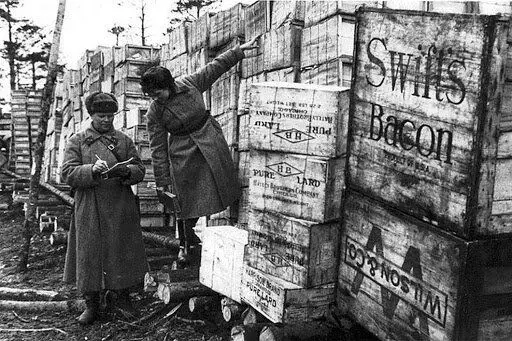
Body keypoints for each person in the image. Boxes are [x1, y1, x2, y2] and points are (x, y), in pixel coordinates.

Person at [140, 37, 259, 266]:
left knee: (221, 185)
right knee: (184, 200)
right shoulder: (154, 112)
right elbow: (157, 147)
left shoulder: (190, 84)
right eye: (151, 95)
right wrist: (163, 180)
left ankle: (230, 234)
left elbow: (214, 68)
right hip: (182, 152)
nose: (155, 98)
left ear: (169, 85)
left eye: (158, 92)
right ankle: (186, 243)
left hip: (209, 139)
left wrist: (238, 52)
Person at [61, 92, 148, 325]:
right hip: (90, 207)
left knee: (121, 249)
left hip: (120, 205)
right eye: (101, 116)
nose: (106, 120)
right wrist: (90, 170)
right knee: (89, 252)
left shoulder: (123, 141)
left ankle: (122, 298)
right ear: (91, 115)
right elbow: (67, 173)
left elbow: (140, 168)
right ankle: (91, 303)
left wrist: (127, 171)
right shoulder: (77, 141)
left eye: (110, 116)